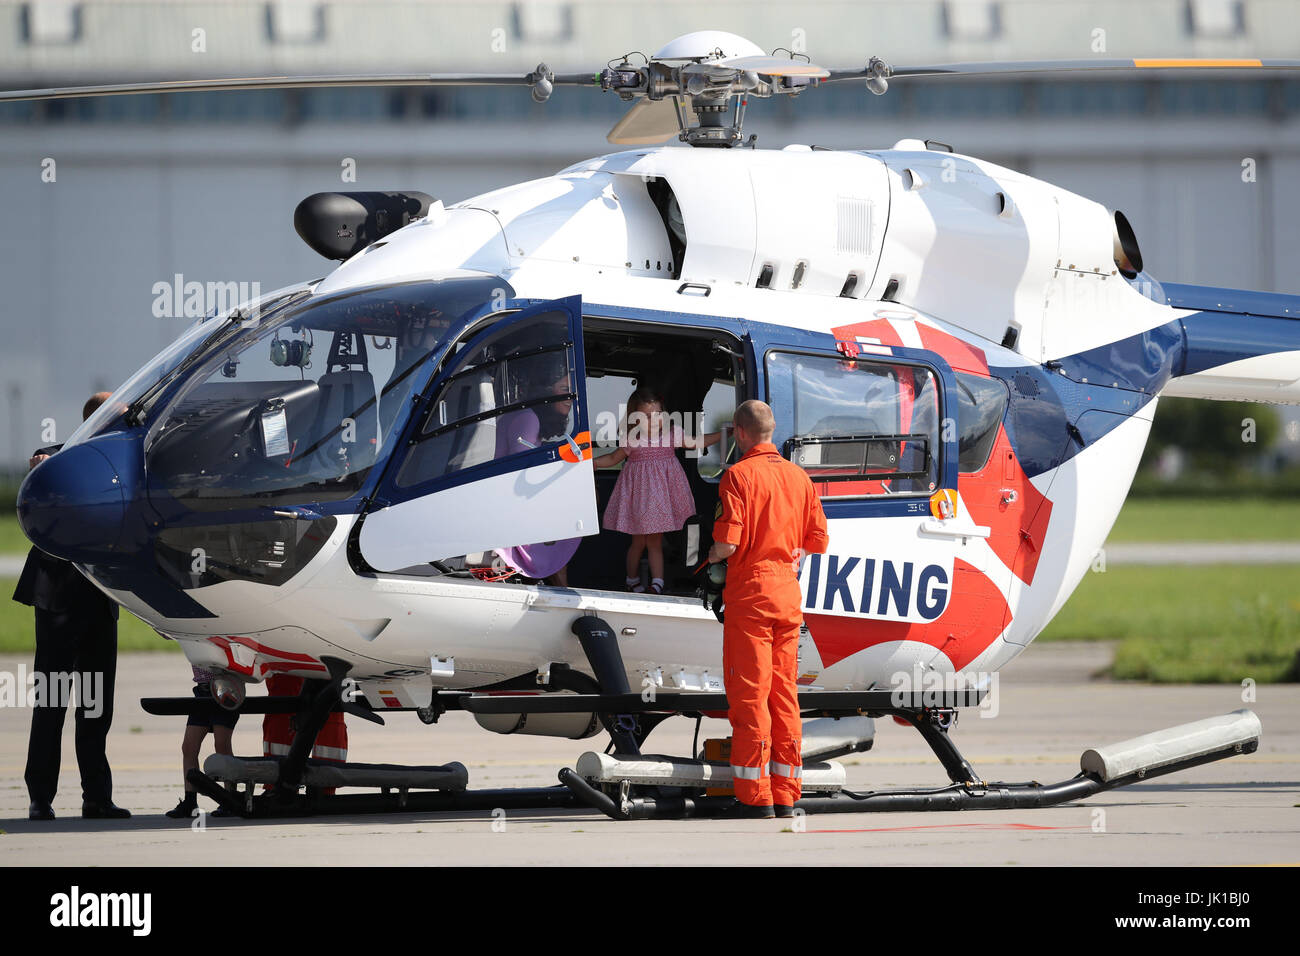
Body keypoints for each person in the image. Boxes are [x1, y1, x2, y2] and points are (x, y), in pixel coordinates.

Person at [707, 399, 828, 819]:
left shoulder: (737, 476)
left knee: (750, 695)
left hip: (751, 598)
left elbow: (728, 544)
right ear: (771, 430)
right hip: (787, 597)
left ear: (740, 433)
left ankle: (755, 796)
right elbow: (816, 542)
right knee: (784, 696)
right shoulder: (800, 477)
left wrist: (706, 562)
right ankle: (787, 792)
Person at [18, 391, 130, 820]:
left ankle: (96, 797)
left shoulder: (122, 469)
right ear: (98, 420)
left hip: (101, 600)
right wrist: (40, 468)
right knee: (52, 702)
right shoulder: (55, 459)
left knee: (96, 704)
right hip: (59, 599)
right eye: (119, 418)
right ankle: (40, 797)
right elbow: (41, 465)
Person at [596, 388, 720, 593]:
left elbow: (697, 442)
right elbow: (612, 458)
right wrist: (592, 463)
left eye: (657, 415)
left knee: (654, 541)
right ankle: (632, 579)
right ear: (634, 419)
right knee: (638, 542)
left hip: (661, 498)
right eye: (645, 416)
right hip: (640, 498)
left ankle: (657, 584)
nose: (653, 420)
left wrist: (724, 434)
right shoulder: (632, 438)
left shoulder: (673, 434)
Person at [494, 360, 581, 585]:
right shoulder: (527, 417)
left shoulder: (524, 415)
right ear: (546, 391)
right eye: (564, 390)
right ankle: (562, 590)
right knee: (568, 522)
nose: (570, 398)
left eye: (572, 392)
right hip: (511, 502)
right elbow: (523, 466)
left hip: (512, 496)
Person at [165, 665, 240, 819]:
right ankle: (190, 802)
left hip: (226, 687)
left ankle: (230, 800)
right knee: (188, 748)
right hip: (202, 691)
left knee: (222, 745)